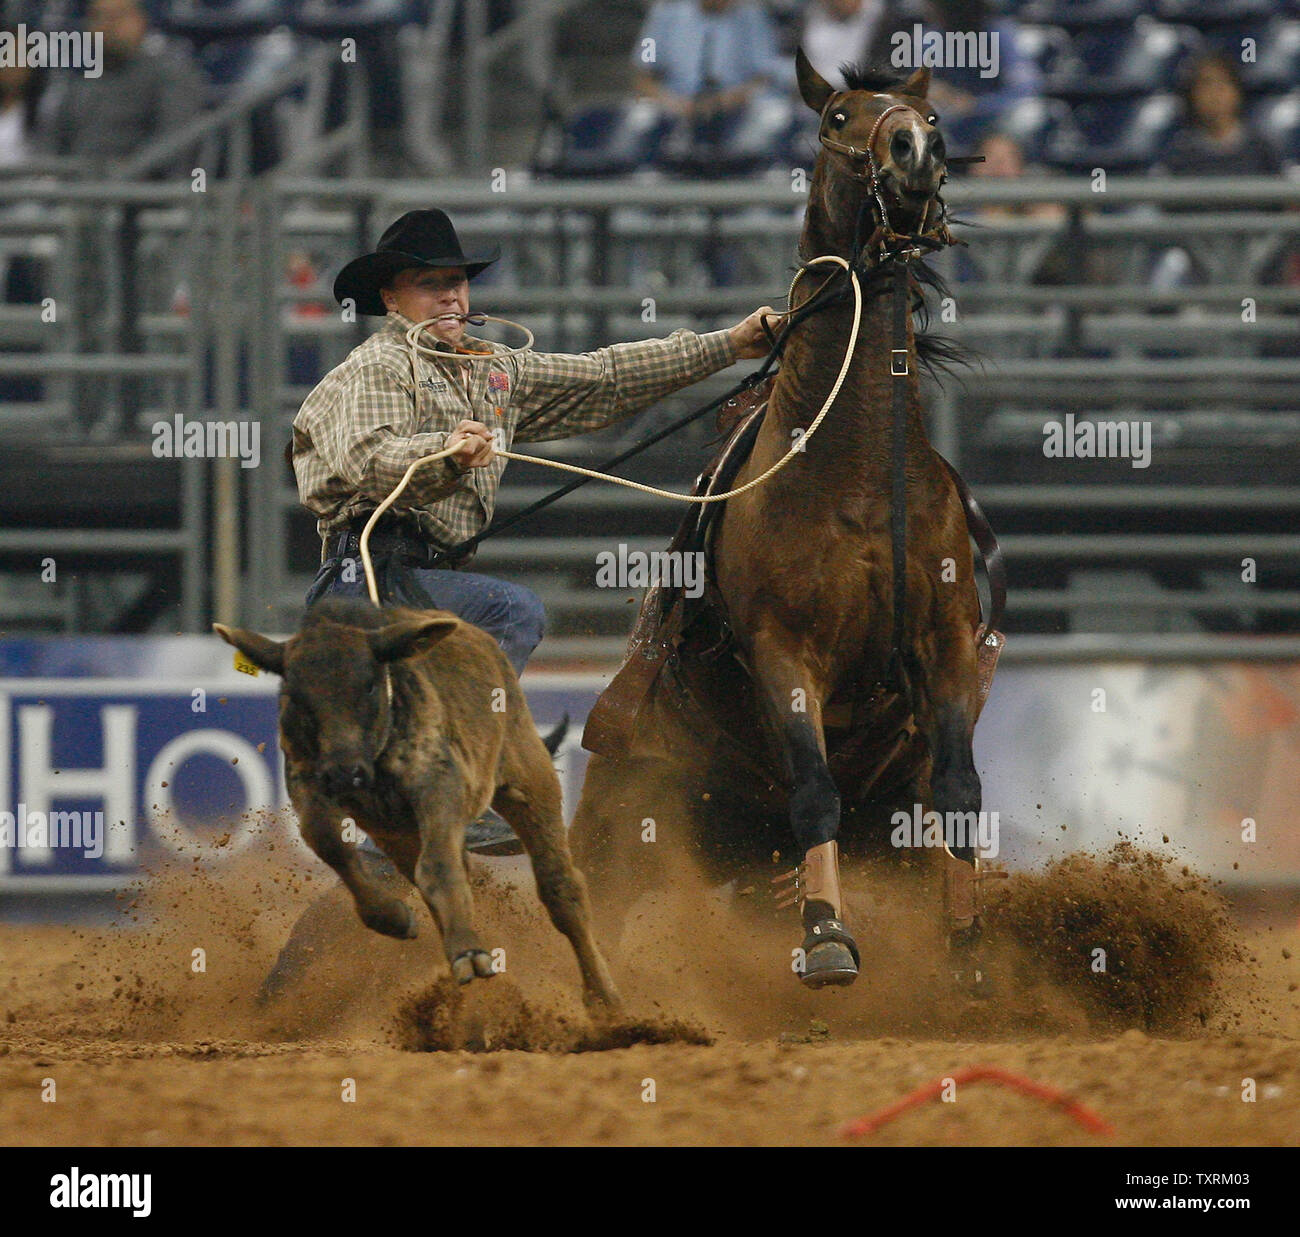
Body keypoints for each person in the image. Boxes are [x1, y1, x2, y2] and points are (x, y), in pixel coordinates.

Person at [291, 207, 776, 853]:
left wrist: (728, 345)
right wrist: (442, 450)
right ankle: (452, 787)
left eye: (457, 282)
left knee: (498, 620)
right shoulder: (379, 368)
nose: (451, 296)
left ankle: (414, 815)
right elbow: (369, 459)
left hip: (415, 578)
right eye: (431, 284)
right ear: (391, 298)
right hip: (368, 577)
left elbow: (605, 376)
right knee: (510, 612)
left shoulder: (493, 370)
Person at [36, 0, 205, 174]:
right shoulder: (79, 84)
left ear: (141, 21)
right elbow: (53, 145)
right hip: (78, 192)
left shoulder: (171, 75)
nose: (107, 25)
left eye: (118, 16)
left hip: (144, 193)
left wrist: (119, 178)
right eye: (98, 17)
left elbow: (173, 146)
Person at [1156, 52, 1282, 179]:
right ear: (1192, 95)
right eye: (1206, 84)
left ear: (1237, 92)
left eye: (1223, 83)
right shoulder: (1179, 154)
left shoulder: (1261, 151)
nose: (1214, 94)